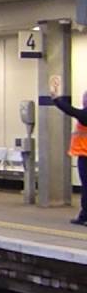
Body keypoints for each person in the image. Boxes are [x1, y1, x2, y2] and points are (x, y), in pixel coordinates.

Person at [51, 89, 87, 225]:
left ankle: (85, 216)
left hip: (85, 156)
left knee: (86, 187)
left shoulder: (85, 114)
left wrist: (56, 100)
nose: (83, 101)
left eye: (84, 99)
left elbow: (71, 111)